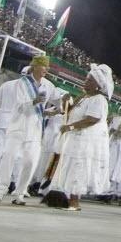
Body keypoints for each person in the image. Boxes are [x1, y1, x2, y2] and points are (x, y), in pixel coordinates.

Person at [0, 56, 66, 205]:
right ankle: (0, 191)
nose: (46, 69)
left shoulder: (48, 85)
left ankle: (20, 193)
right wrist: (34, 101)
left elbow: (57, 98)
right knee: (9, 157)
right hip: (18, 125)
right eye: (43, 66)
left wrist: (59, 107)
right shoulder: (21, 84)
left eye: (47, 67)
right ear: (34, 67)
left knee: (30, 161)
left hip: (35, 128)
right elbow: (19, 106)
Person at [47, 64, 113, 211]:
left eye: (89, 80)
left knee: (78, 168)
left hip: (85, 141)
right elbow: (68, 110)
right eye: (86, 79)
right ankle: (67, 199)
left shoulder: (99, 99)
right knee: (70, 168)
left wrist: (70, 127)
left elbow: (92, 119)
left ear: (97, 84)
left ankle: (74, 203)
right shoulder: (83, 97)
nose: (85, 81)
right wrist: (65, 101)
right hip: (75, 139)